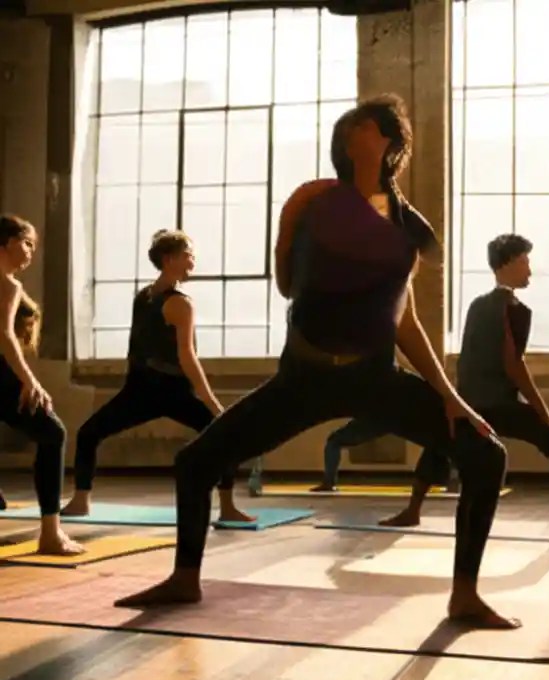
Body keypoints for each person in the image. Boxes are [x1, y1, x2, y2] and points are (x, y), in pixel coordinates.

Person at [114, 94, 519, 629]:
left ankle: (464, 595)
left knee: (486, 455)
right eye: (348, 127)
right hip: (303, 377)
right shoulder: (311, 200)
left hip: (373, 375)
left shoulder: (408, 229)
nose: (354, 131)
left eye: (366, 126)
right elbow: (287, 285)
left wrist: (450, 396)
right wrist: (309, 237)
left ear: (390, 142)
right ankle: (185, 578)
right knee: (195, 462)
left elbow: (406, 322)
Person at [333, 233, 549, 537]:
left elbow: (468, 359)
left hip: (470, 402)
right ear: (507, 264)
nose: (529, 269)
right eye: (524, 262)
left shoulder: (477, 305)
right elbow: (514, 365)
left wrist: (458, 401)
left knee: (440, 441)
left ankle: (412, 510)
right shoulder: (513, 307)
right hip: (497, 405)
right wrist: (544, 413)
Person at [63, 230, 254, 523]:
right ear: (169, 259)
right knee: (88, 433)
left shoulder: (166, 299)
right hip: (142, 389)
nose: (193, 262)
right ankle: (80, 500)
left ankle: (227, 506)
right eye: (188, 255)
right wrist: (214, 404)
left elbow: (185, 358)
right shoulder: (159, 300)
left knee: (223, 437)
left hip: (171, 390)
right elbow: (184, 355)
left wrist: (210, 403)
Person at [0, 215, 83, 554]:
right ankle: (50, 534)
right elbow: (4, 336)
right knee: (53, 433)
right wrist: (30, 380)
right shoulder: (8, 285)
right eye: (27, 243)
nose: (31, 252)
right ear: (7, 242)